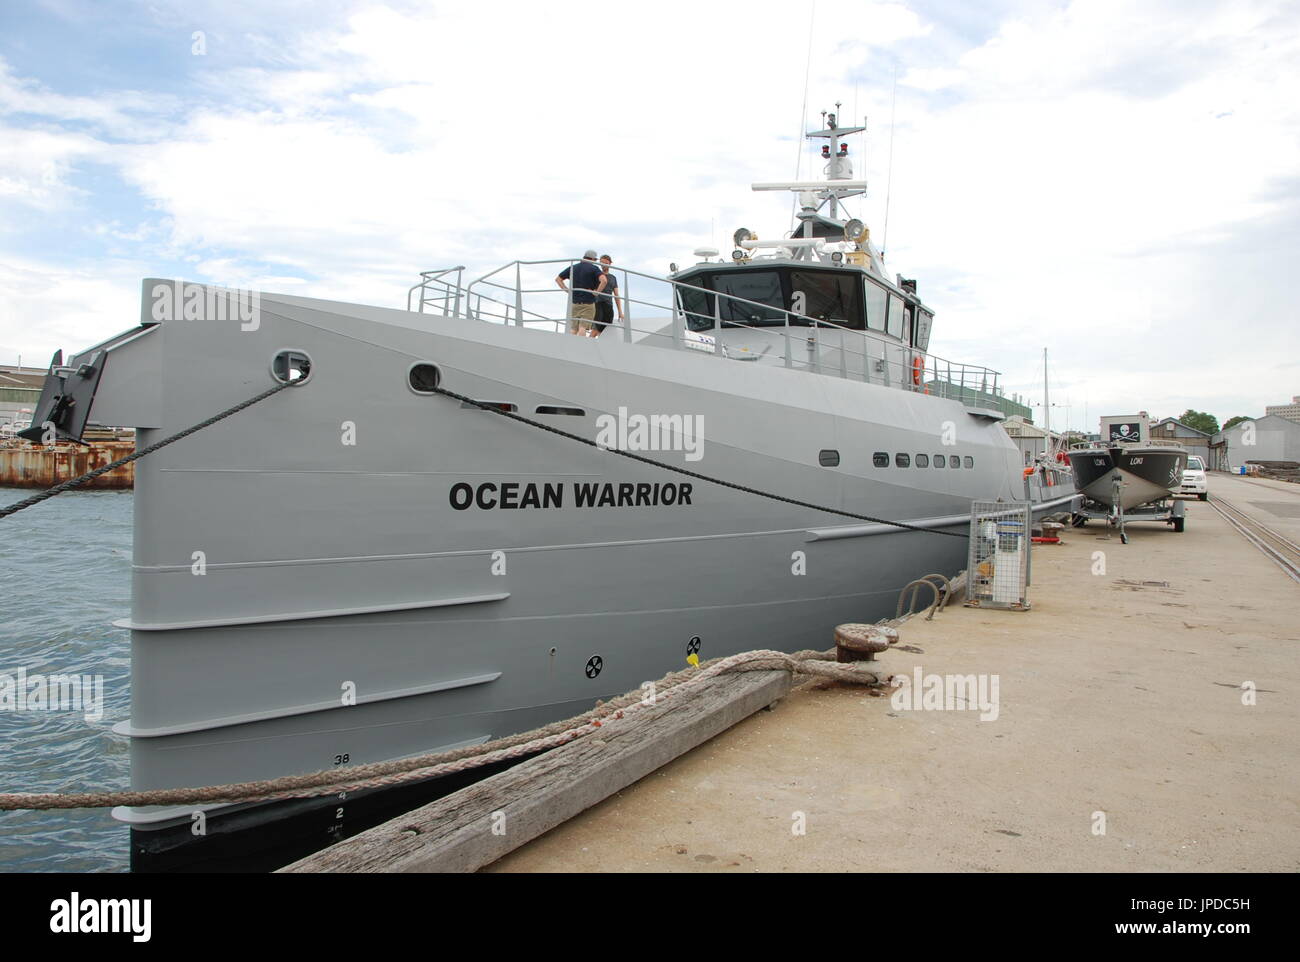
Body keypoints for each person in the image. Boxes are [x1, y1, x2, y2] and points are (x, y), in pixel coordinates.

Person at [556, 250, 607, 335]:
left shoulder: (573, 267)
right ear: (593, 259)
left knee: (574, 329)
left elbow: (558, 279)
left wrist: (567, 290)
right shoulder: (594, 268)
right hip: (588, 303)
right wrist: (597, 292)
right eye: (595, 260)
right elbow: (604, 280)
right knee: (583, 327)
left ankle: (571, 345)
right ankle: (580, 346)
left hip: (575, 303)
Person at [591, 254, 624, 337]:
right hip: (597, 304)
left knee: (604, 332)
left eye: (605, 263)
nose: (603, 265)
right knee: (595, 330)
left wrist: (620, 312)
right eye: (601, 263)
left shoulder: (613, 278)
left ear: (610, 263)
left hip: (609, 306)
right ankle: (585, 346)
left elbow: (616, 295)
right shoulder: (596, 275)